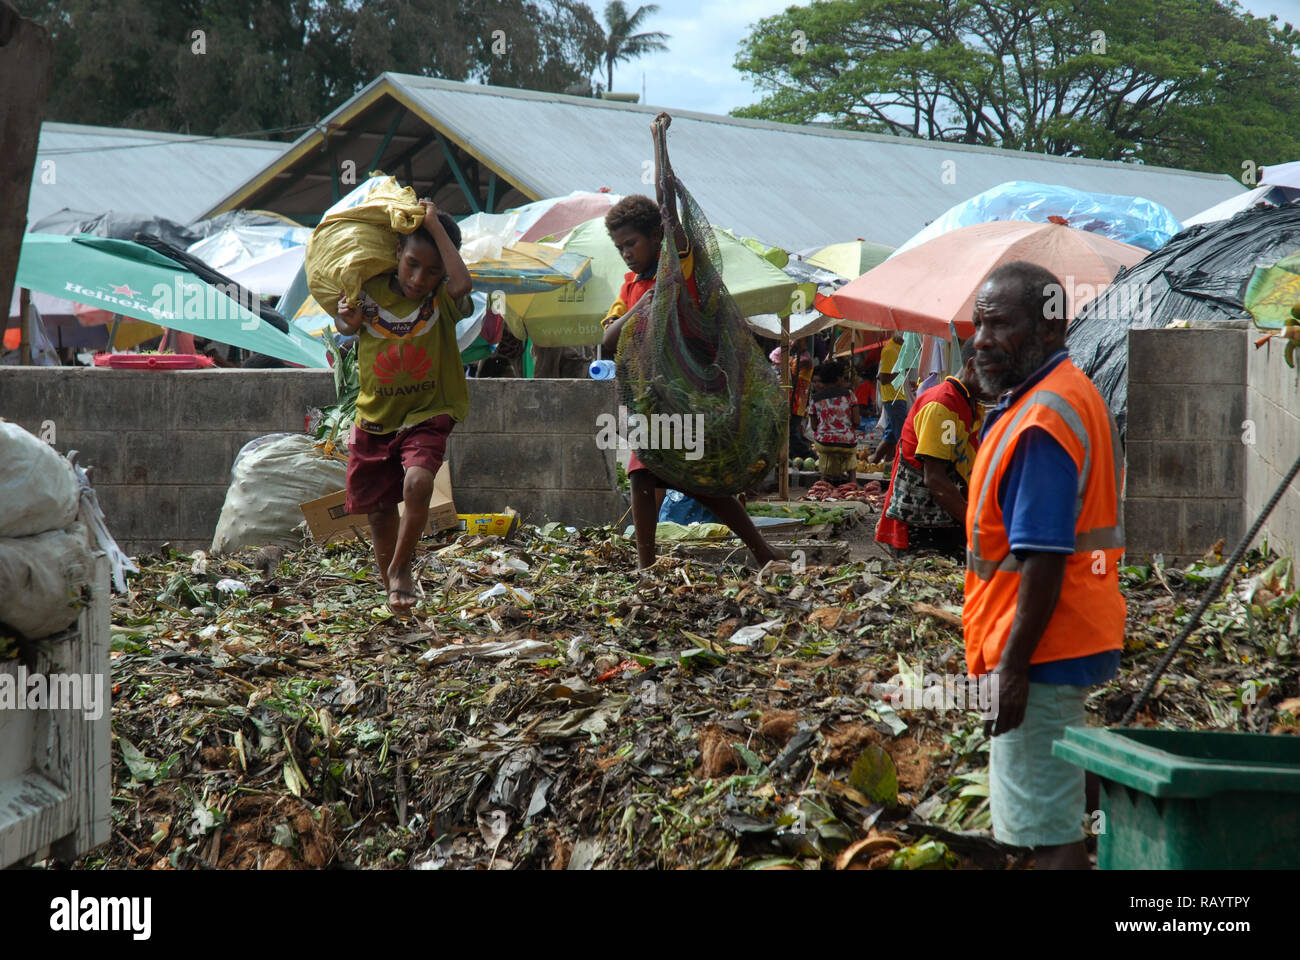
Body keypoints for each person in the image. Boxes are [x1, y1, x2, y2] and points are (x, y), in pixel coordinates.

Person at [963, 260, 1125, 870]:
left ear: (1051, 330)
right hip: (1064, 642)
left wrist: (1011, 671)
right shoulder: (1057, 396)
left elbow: (1045, 558)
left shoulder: (1041, 421)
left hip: (1041, 653)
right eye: (979, 324)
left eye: (1000, 324)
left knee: (1044, 837)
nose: (982, 339)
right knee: (1068, 800)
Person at [600, 114, 779, 571]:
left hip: (692, 397)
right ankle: (645, 566)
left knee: (703, 483)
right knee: (642, 477)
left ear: (656, 238)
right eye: (619, 246)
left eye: (632, 243)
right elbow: (607, 342)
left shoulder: (678, 267)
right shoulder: (631, 287)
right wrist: (646, 305)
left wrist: (659, 146)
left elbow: (667, 206)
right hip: (651, 401)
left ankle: (763, 551)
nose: (626, 252)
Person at [335, 198, 473, 614]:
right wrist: (347, 320)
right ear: (397, 253)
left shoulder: (443, 299)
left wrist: (433, 221)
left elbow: (463, 284)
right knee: (378, 512)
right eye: (412, 263)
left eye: (433, 271)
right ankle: (395, 596)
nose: (419, 278)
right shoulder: (369, 291)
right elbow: (344, 324)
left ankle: (401, 569)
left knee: (418, 483)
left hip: (429, 410)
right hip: (375, 417)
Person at [875, 340, 984, 556]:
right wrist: (978, 526)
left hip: (945, 526)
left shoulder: (969, 403)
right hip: (921, 532)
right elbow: (935, 478)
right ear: (972, 366)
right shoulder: (942, 405)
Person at [808, 359, 859, 483]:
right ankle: (852, 481)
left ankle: (823, 480)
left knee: (826, 451)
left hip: (824, 443)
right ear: (838, 379)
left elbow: (814, 426)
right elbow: (857, 422)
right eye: (843, 377)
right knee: (850, 451)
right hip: (847, 443)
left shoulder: (815, 398)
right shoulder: (849, 395)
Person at [872, 332, 907, 465]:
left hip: (898, 396)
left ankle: (875, 461)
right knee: (901, 436)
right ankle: (902, 464)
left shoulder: (901, 348)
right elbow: (884, 378)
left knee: (891, 435)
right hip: (893, 398)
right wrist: (902, 372)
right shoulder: (889, 350)